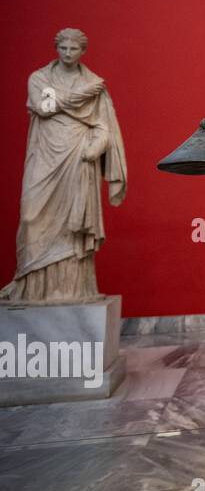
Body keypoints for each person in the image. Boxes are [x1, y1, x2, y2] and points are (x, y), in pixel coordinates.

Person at [1, 28, 126, 303]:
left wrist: (95, 147)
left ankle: (72, 290)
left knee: (73, 228)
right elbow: (44, 107)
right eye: (63, 49)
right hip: (45, 157)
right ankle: (31, 286)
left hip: (78, 157)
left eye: (74, 49)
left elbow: (105, 128)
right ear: (57, 49)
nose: (68, 54)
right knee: (31, 216)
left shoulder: (94, 83)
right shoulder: (41, 79)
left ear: (83, 51)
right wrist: (82, 94)